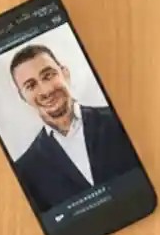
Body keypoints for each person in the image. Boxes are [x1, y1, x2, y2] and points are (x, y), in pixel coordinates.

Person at [8, 44, 139, 213]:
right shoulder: (25, 170)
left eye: (48, 76)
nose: (45, 90)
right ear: (23, 97)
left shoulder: (120, 119)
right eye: (31, 86)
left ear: (65, 74)